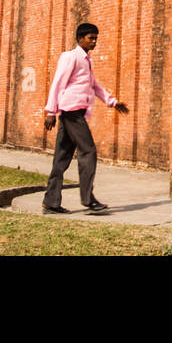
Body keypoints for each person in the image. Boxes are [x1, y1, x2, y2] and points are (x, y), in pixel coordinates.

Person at [41, 23, 128, 214]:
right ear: (80, 38)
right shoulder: (70, 57)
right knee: (88, 152)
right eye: (91, 38)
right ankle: (88, 199)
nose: (95, 42)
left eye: (96, 38)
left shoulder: (86, 60)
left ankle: (51, 201)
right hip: (71, 112)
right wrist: (50, 111)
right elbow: (58, 82)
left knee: (61, 158)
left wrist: (112, 102)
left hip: (75, 113)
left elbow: (94, 85)